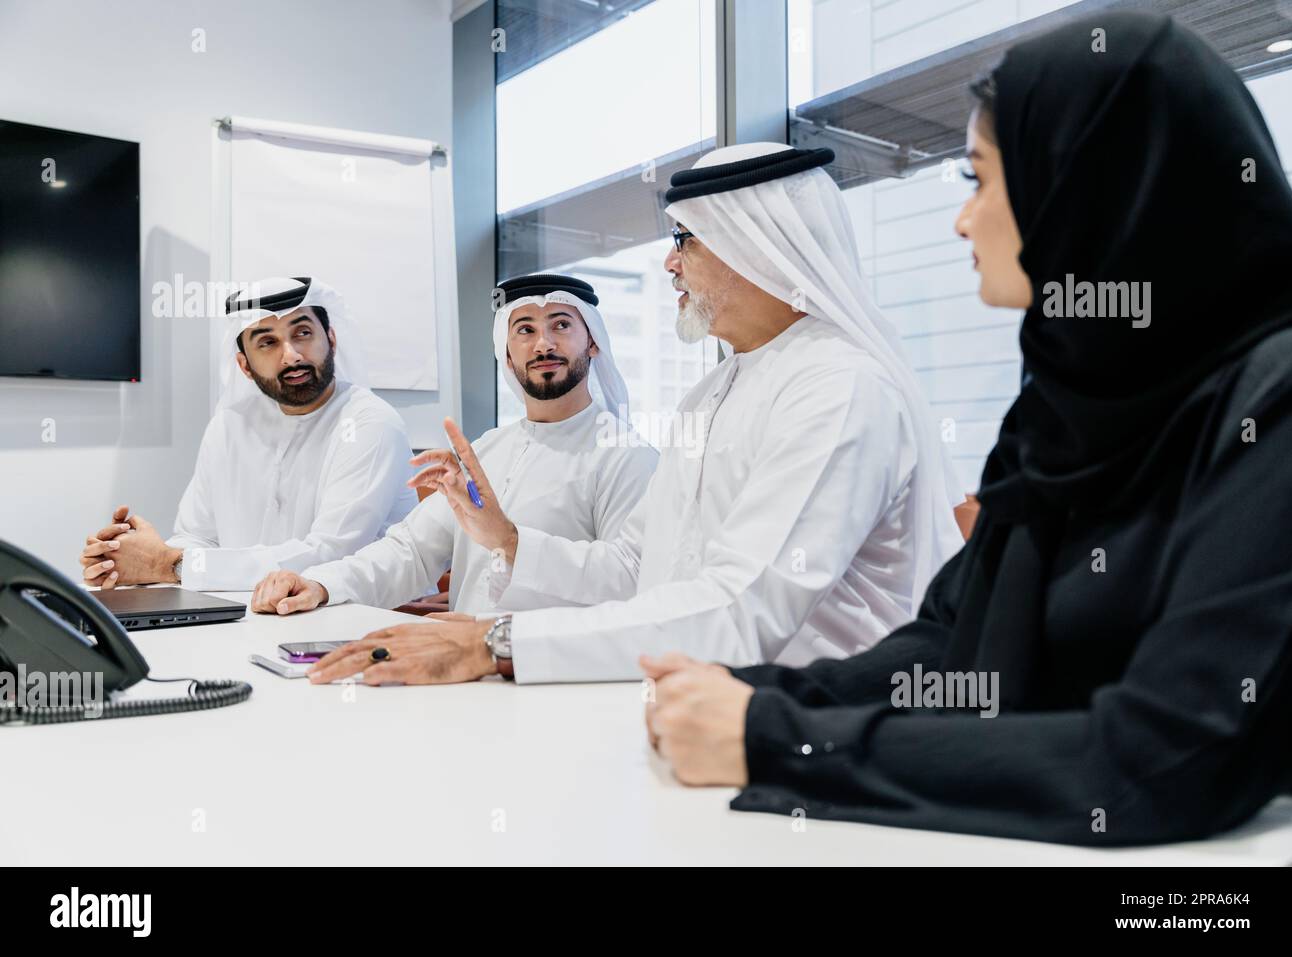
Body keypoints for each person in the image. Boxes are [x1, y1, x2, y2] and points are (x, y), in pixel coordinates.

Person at [643, 11, 1292, 847]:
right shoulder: (1066, 404)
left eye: (981, 180)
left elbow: (1164, 755)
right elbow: (955, 643)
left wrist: (777, 739)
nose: (963, 220)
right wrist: (752, 693)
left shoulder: (1277, 405)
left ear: (1086, 187)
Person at [306, 145, 964, 687]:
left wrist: (500, 641)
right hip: (695, 717)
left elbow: (742, 608)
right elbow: (633, 569)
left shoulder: (838, 387)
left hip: (819, 745)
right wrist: (509, 549)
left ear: (756, 246)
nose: (670, 263)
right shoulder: (710, 395)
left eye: (686, 240)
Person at [248, 274, 657, 618]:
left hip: (554, 680)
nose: (543, 345)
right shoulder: (489, 451)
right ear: (508, 356)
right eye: (526, 330)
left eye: (562, 326)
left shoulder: (628, 455)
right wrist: (320, 584)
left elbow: (629, 578)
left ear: (594, 342)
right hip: (462, 670)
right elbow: (410, 551)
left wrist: (510, 541)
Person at [79, 277, 416, 592]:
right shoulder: (229, 426)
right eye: (268, 342)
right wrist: (127, 556)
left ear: (331, 340)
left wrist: (168, 565)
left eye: (302, 333)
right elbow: (197, 537)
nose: (291, 355)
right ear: (244, 366)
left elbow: (329, 556)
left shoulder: (370, 424)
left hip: (358, 621)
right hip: (247, 613)